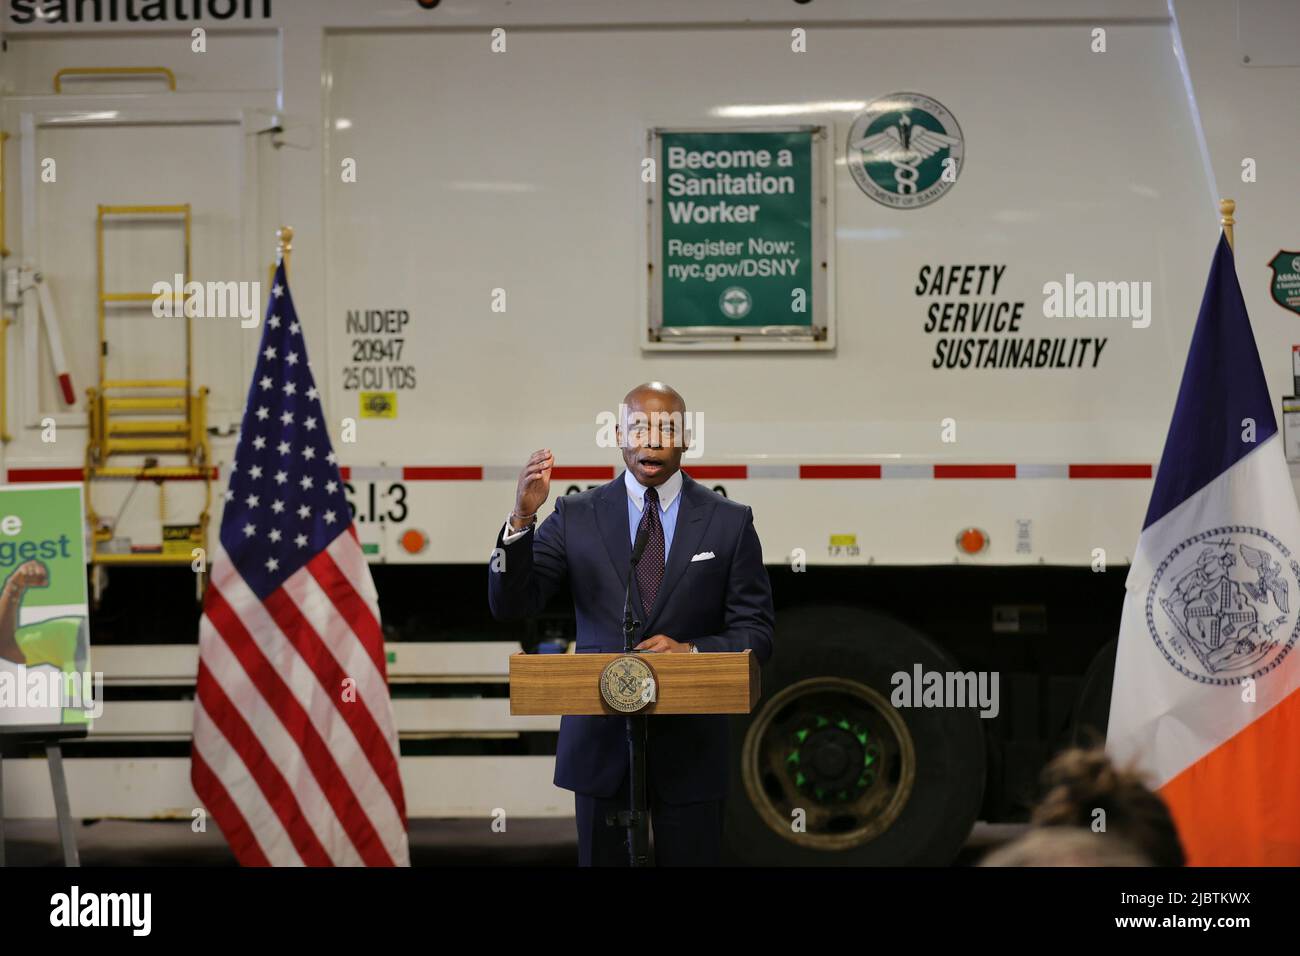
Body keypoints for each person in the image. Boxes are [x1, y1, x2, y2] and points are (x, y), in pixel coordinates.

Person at [488, 382, 775, 865]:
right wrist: (521, 519)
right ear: (618, 435)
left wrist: (691, 652)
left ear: (686, 438)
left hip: (691, 752)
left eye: (667, 428)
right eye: (639, 426)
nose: (652, 439)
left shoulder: (729, 522)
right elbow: (510, 605)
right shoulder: (575, 515)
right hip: (601, 750)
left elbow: (758, 632)